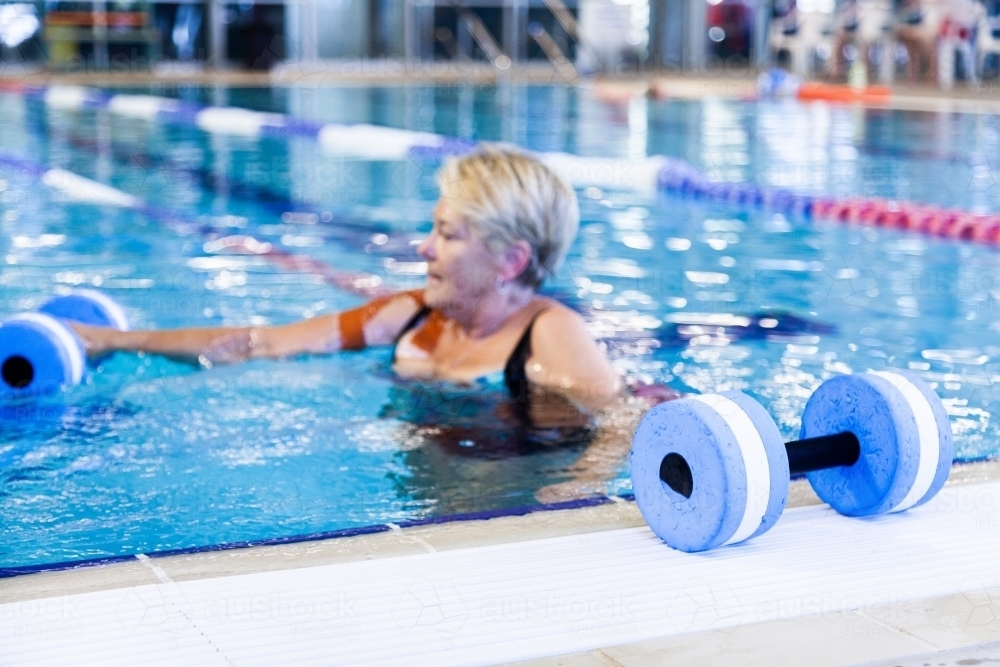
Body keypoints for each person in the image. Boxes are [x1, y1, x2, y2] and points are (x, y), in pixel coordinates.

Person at [72, 146, 669, 501]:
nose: (425, 249)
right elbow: (260, 344)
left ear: (510, 260)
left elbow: (624, 418)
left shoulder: (551, 335)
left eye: (448, 234)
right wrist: (114, 340)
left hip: (505, 495)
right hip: (426, 494)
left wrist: (575, 490)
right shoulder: (409, 316)